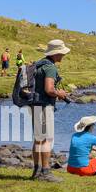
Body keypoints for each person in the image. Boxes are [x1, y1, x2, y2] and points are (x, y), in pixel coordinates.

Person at [27, 39, 71, 180]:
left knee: (38, 139)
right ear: (56, 53)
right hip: (44, 106)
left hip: (34, 104)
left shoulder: (39, 64)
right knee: (46, 139)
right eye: (62, 53)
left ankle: (36, 171)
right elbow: (49, 89)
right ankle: (45, 172)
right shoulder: (50, 67)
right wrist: (61, 94)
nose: (63, 56)